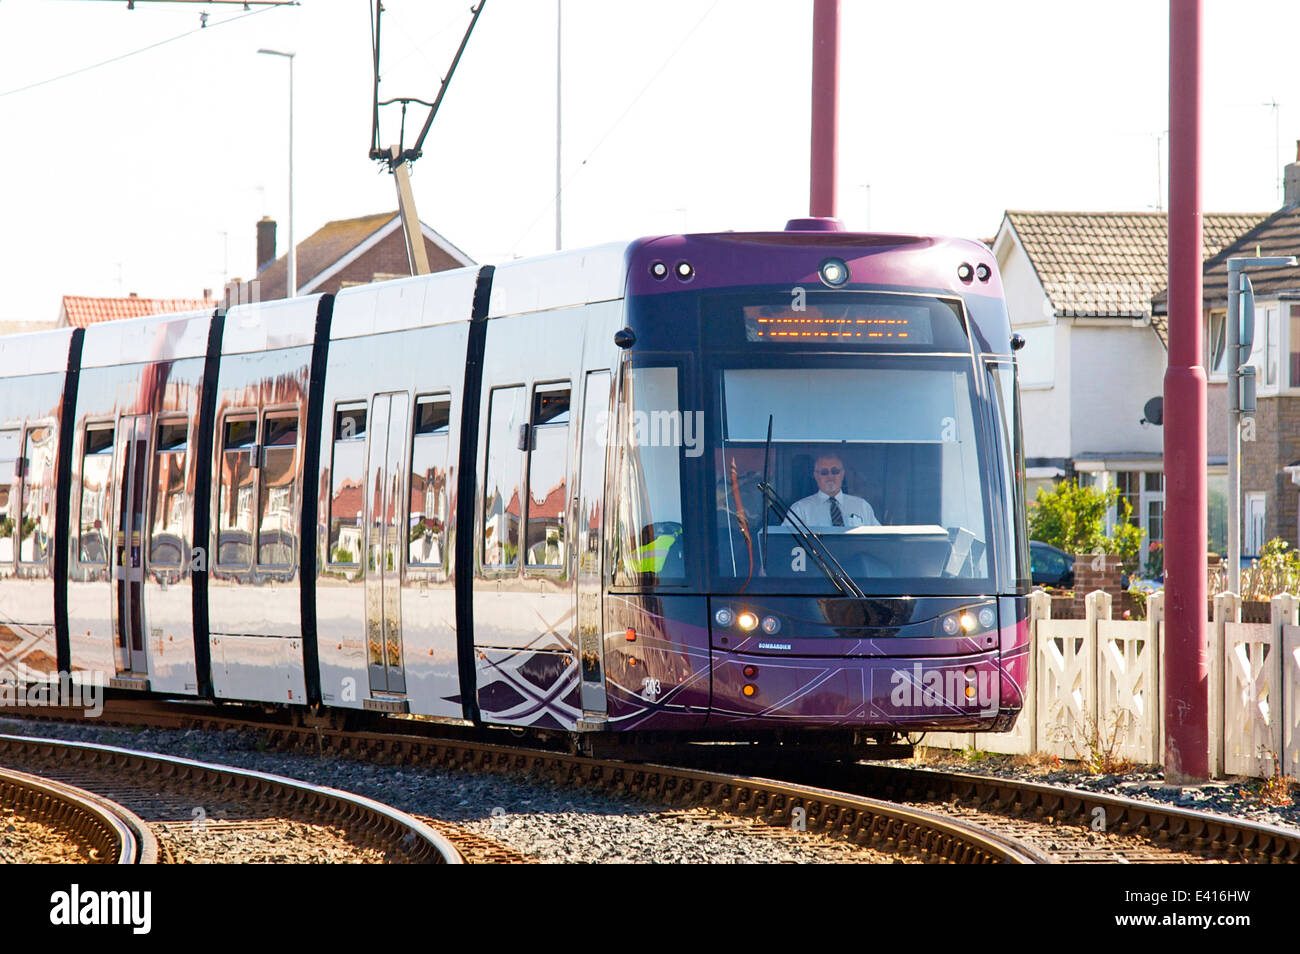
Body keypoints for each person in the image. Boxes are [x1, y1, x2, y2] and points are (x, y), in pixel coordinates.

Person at [785, 453, 879, 529]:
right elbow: (785, 543)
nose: (830, 476)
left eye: (835, 471)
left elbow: (879, 540)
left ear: (842, 474)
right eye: (824, 472)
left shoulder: (862, 506)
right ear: (816, 476)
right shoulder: (800, 510)